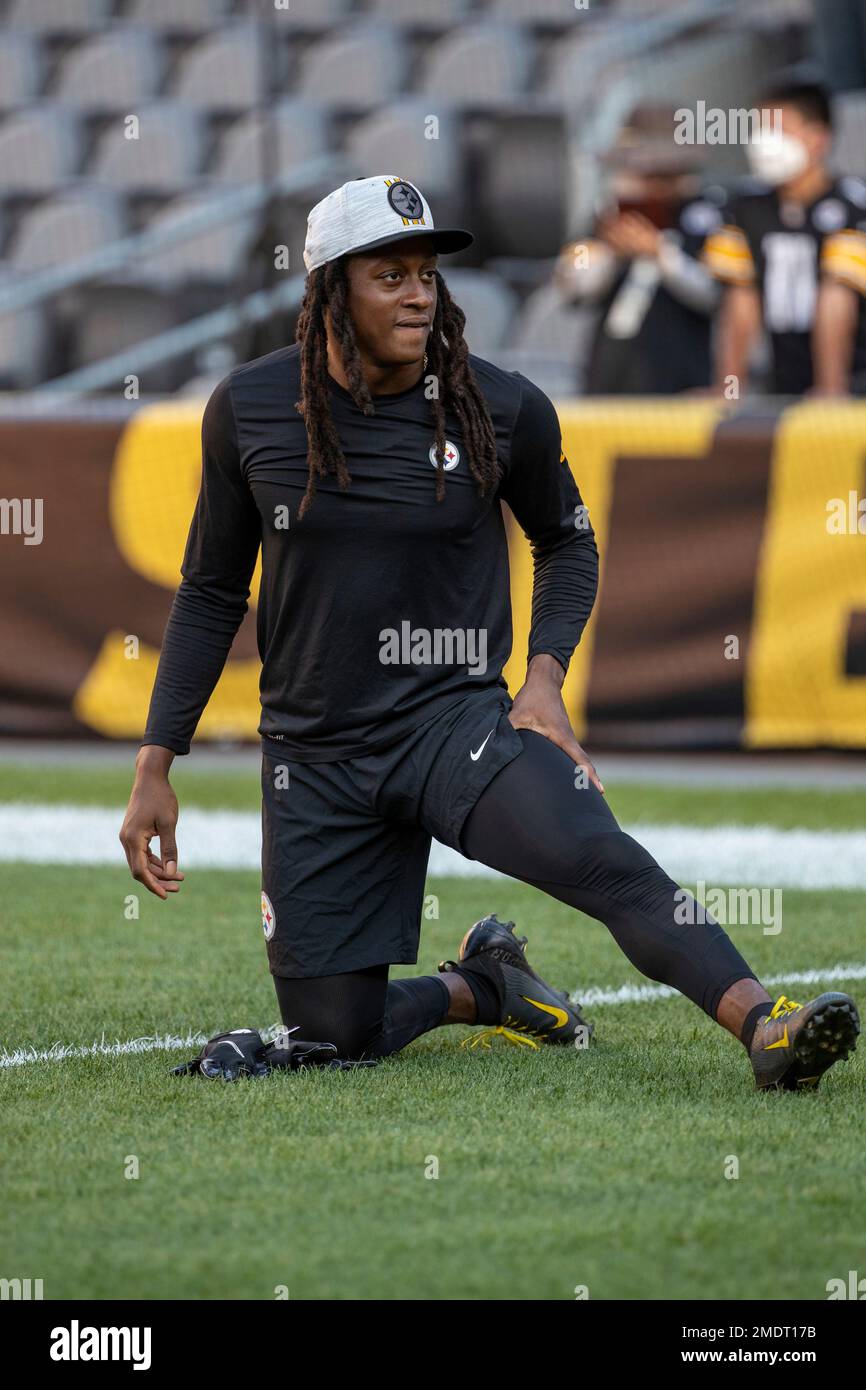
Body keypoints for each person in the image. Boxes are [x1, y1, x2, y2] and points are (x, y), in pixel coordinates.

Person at [120, 174, 859, 1090]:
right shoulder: (249, 407)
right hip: (312, 752)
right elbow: (208, 591)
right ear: (327, 293)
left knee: (604, 860)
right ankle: (482, 985)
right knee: (334, 1032)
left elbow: (567, 546)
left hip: (453, 724)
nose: (420, 293)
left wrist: (543, 679)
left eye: (427, 273)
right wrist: (158, 760)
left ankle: (767, 1028)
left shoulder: (500, 405)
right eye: (390, 274)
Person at [704, 79, 866, 395]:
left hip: (855, 387)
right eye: (761, 129)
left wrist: (831, 391)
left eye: (779, 130)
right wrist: (729, 389)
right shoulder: (743, 209)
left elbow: (837, 299)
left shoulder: (852, 207)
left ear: (817, 138)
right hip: (784, 384)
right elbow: (740, 299)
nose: (766, 142)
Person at [554, 105, 723, 394]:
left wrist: (660, 253)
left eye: (660, 176)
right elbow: (573, 284)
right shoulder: (610, 217)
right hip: (612, 374)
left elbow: (716, 293)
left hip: (684, 375)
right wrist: (611, 251)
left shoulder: (707, 215)